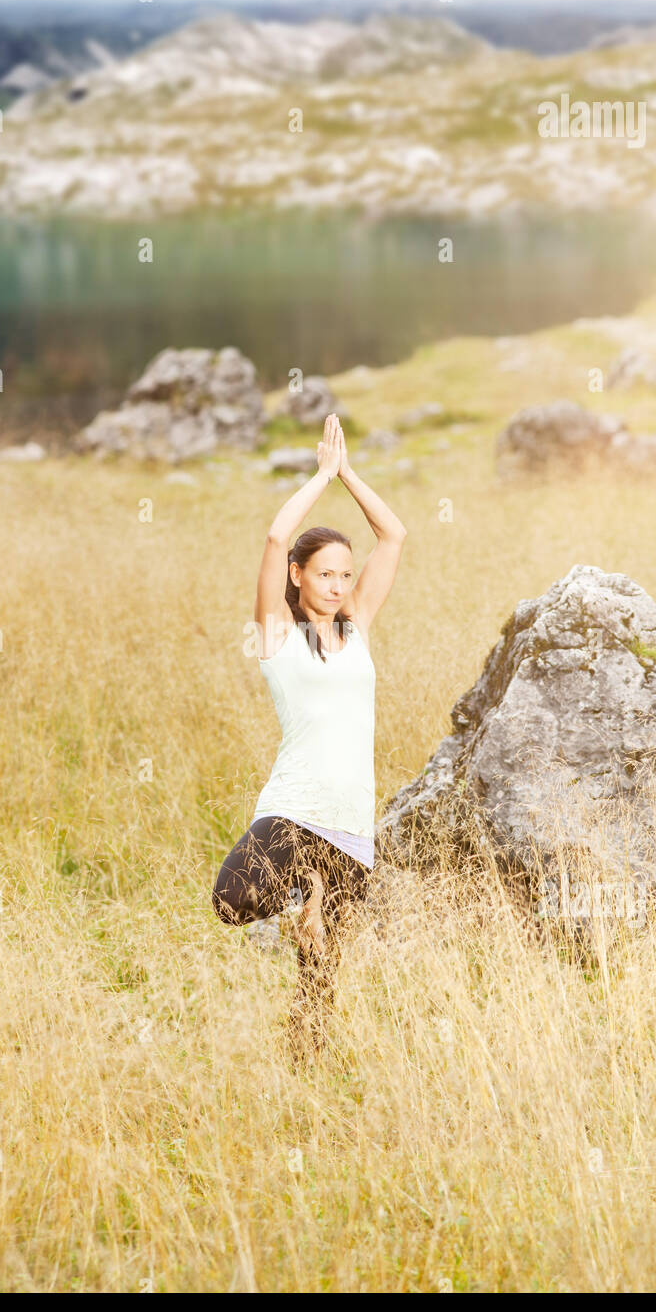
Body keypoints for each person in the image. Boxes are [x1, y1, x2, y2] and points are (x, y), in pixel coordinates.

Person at [212, 413, 407, 1059]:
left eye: (345, 575)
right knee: (232, 901)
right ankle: (309, 893)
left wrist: (350, 472)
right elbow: (274, 537)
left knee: (320, 981)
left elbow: (394, 533)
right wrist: (320, 476)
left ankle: (306, 1090)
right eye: (325, 573)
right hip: (294, 813)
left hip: (351, 824)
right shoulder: (276, 638)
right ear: (299, 576)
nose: (338, 585)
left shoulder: (356, 628)